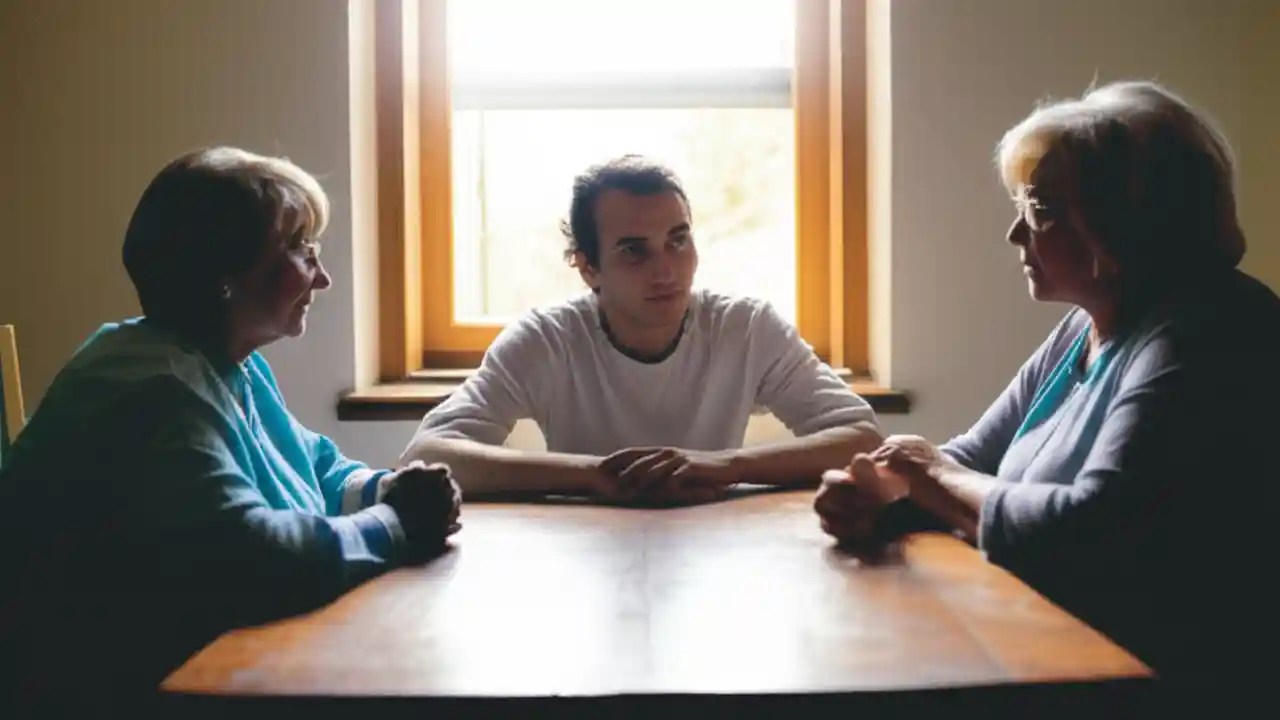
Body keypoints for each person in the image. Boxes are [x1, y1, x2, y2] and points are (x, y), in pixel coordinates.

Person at [814, 81, 1280, 683]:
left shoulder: (1205, 333)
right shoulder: (1085, 325)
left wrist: (926, 477)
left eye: (1042, 210)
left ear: (1123, 220)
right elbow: (972, 457)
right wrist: (878, 494)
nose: (1016, 234)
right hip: (1051, 652)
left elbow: (1089, 531)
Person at [0, 147, 462, 707]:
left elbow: (313, 464)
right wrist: (395, 525)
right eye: (298, 248)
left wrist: (387, 489)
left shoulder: (227, 362)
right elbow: (250, 554)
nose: (323, 277)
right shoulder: (154, 383)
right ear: (221, 274)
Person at [403, 156, 881, 505]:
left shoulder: (748, 328)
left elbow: (862, 436)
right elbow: (426, 454)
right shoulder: (546, 340)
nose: (666, 271)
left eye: (678, 240)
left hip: (719, 546)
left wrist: (725, 465)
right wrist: (595, 477)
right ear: (587, 267)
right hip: (585, 551)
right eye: (635, 251)